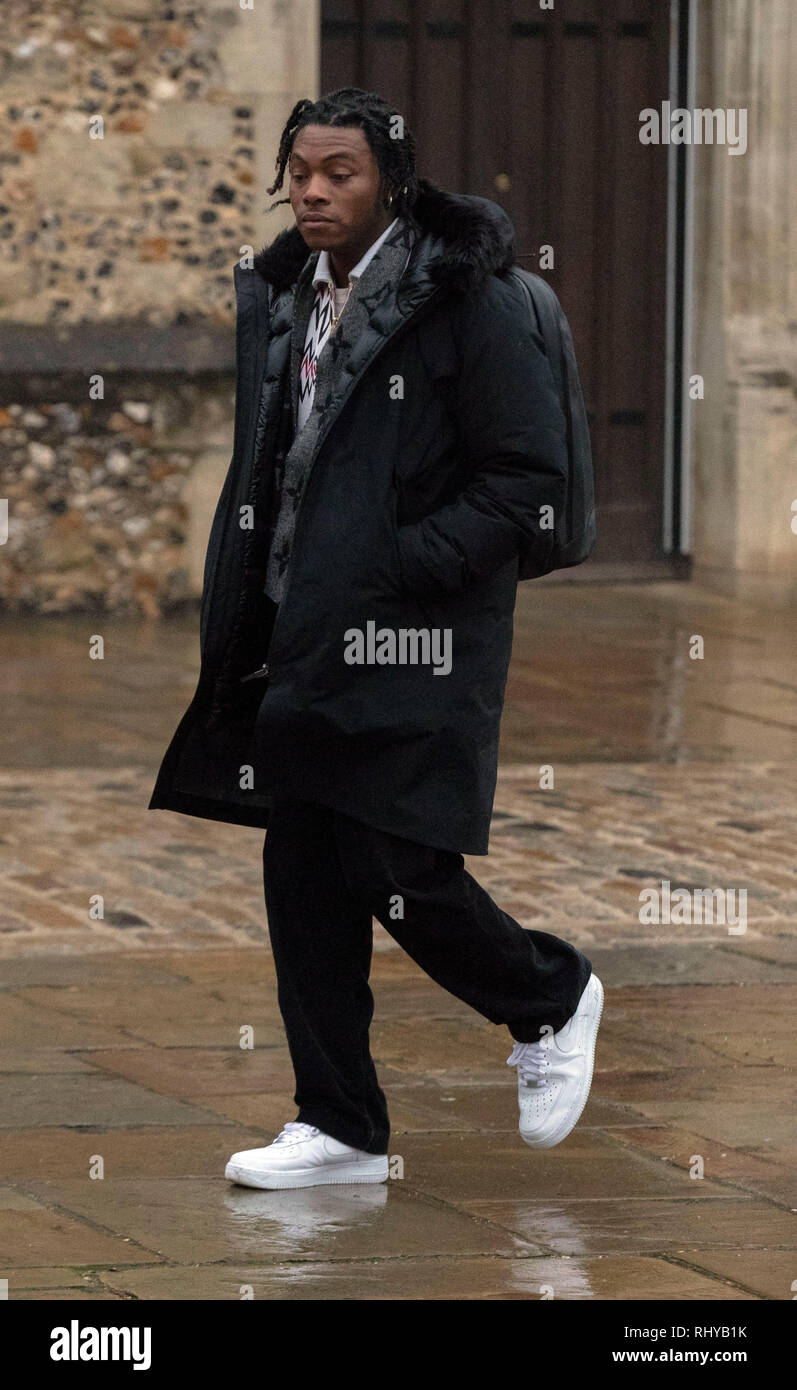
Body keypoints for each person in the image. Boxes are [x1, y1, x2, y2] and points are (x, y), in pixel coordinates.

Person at [149, 87, 603, 1191]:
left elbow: (524, 488)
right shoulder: (281, 293)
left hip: (417, 639)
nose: (311, 189)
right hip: (297, 635)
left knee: (398, 859)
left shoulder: (468, 302)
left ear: (391, 181)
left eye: (338, 171)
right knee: (301, 867)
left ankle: (548, 996)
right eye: (298, 170)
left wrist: (394, 566)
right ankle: (339, 1123)